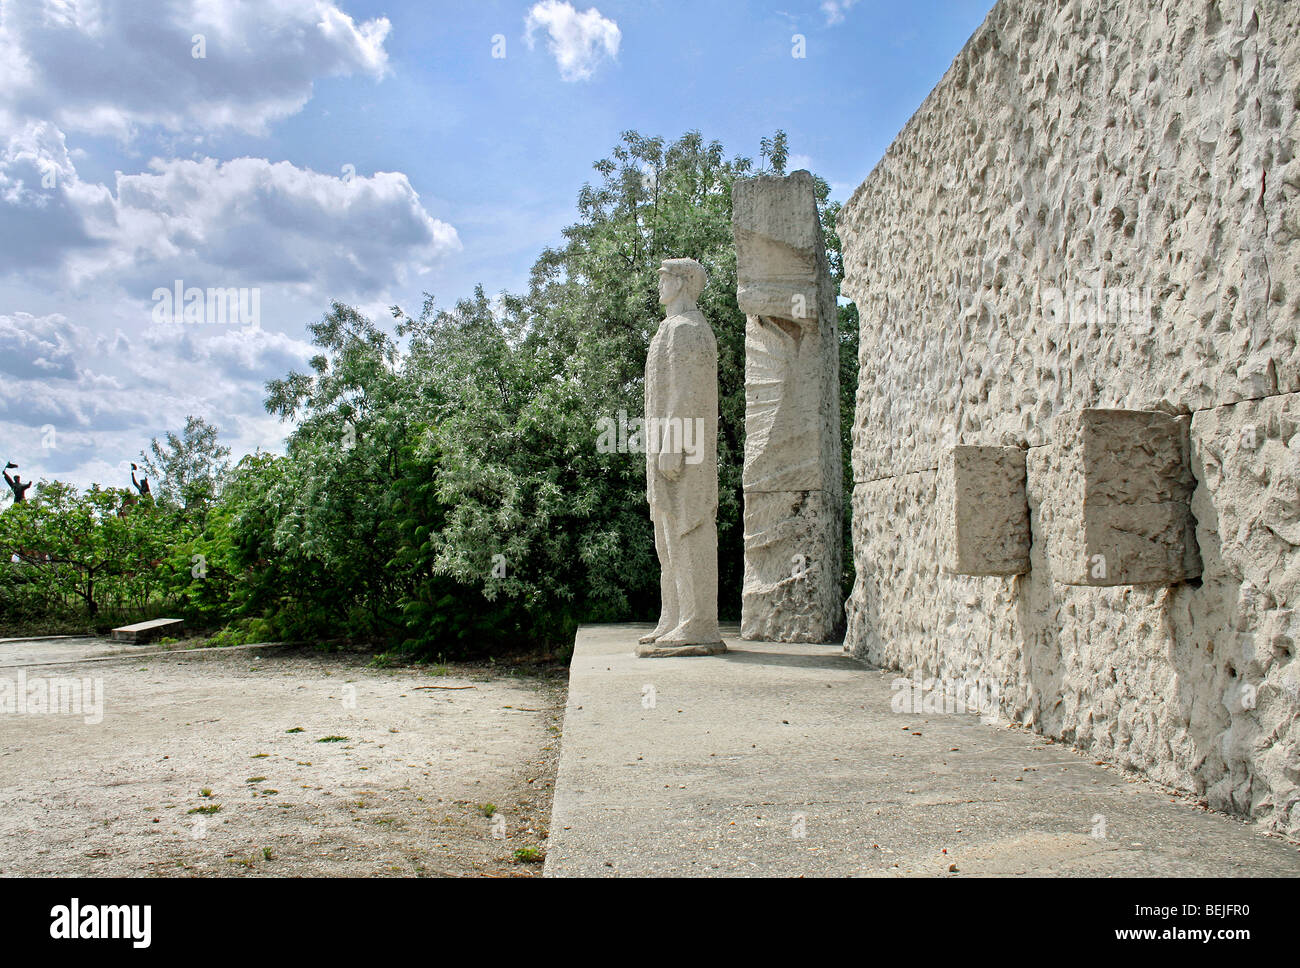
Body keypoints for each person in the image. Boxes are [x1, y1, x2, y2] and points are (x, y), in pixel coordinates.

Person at [638, 258, 723, 652]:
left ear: (685, 282)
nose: (660, 284)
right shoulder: (667, 330)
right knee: (667, 534)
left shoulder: (689, 331)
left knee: (688, 529)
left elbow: (687, 393)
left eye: (666, 278)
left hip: (685, 447)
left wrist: (673, 442)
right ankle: (672, 615)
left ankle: (698, 623)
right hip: (664, 446)